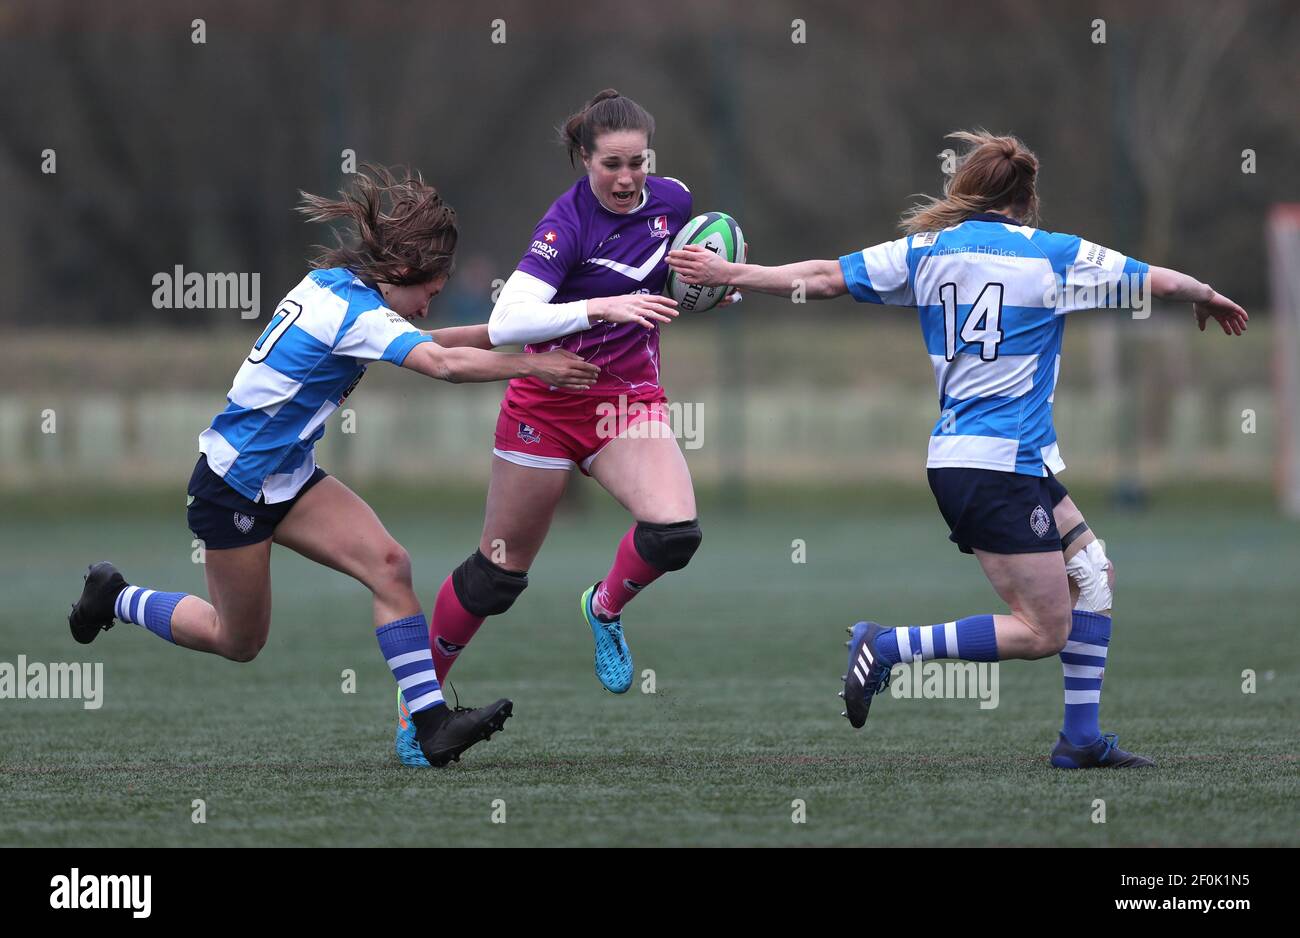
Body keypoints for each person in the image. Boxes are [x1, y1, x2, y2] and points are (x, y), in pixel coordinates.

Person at [666, 130, 1249, 768]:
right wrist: (1208, 294)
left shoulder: (926, 250)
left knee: (1094, 574)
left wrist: (732, 275)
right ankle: (887, 647)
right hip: (995, 466)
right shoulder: (1053, 255)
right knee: (1042, 630)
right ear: (1026, 199)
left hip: (991, 459)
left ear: (967, 192)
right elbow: (1157, 282)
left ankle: (1081, 740)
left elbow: (824, 278)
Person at [66, 165, 599, 768]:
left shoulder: (338, 287)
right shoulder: (355, 313)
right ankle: (115, 598)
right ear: (401, 274)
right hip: (233, 488)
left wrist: (524, 335)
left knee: (391, 566)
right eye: (430, 290)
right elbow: (442, 365)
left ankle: (431, 727)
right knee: (237, 640)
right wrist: (535, 367)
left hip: (288, 479)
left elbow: (434, 342)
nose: (429, 304)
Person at [408, 89, 713, 743]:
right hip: (545, 408)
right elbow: (510, 322)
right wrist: (602, 308)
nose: (628, 178)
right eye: (611, 165)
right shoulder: (563, 226)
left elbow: (682, 275)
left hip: (626, 405)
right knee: (496, 577)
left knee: (675, 534)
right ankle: (419, 708)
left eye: (637, 162)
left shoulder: (675, 201)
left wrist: (714, 283)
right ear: (582, 158)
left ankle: (603, 608)